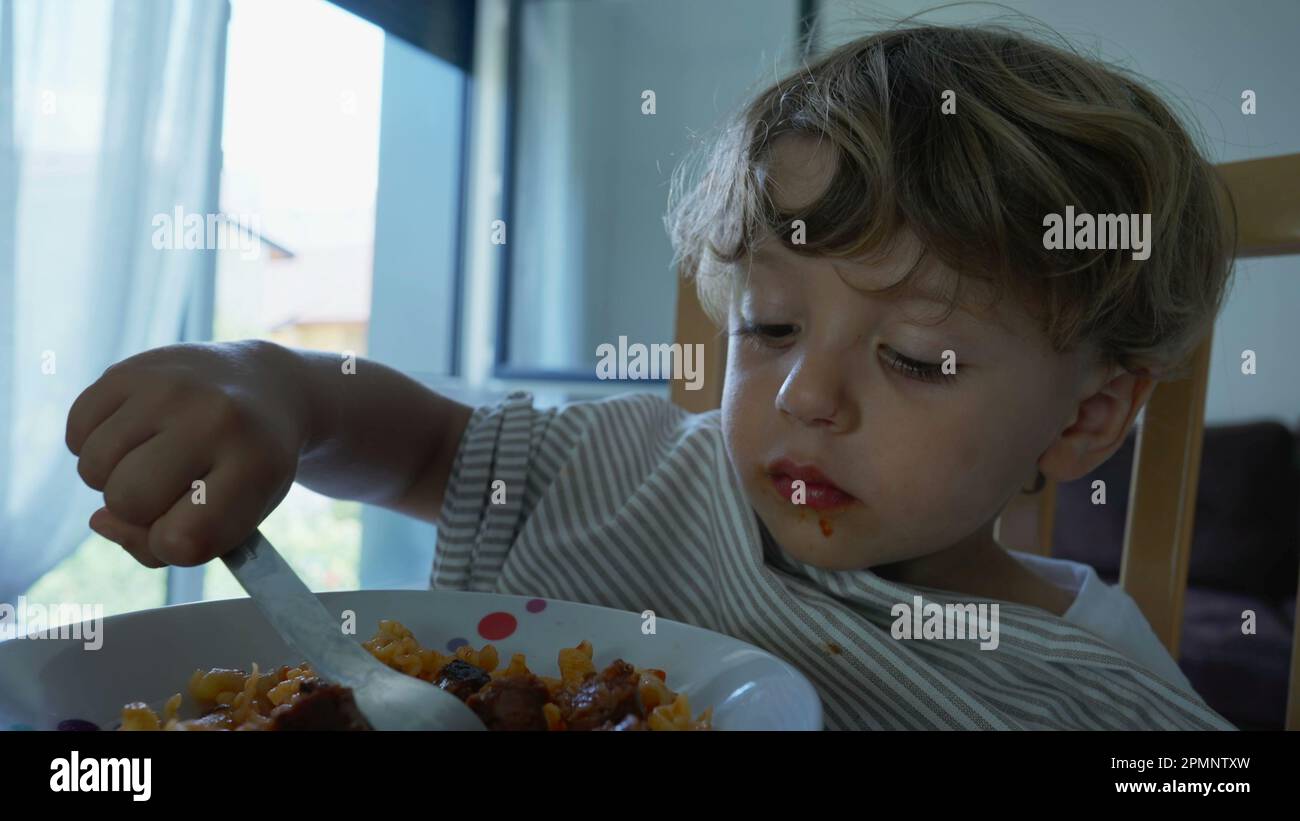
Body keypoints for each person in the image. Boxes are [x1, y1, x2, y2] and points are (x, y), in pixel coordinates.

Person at [66, 23, 1236, 729]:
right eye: (771, 327)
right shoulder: (635, 480)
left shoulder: (1093, 690)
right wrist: (275, 387)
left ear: (1085, 417)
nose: (804, 396)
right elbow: (423, 446)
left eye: (914, 358)